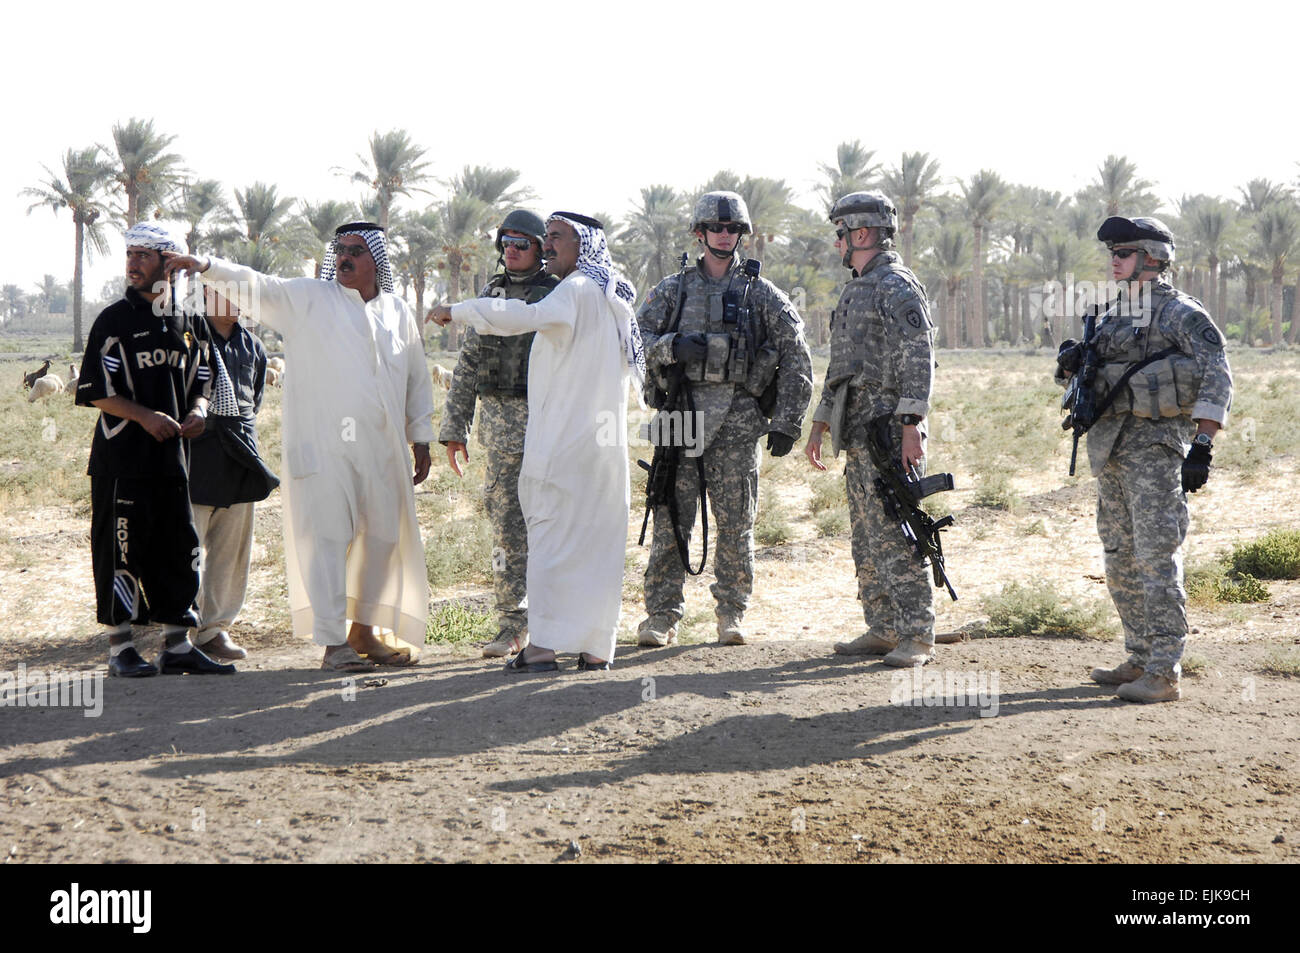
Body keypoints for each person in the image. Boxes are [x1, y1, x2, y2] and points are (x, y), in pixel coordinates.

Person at [165, 222, 436, 672]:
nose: (345, 257)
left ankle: (364, 630)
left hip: (383, 449)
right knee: (328, 537)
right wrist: (208, 266)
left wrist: (420, 435)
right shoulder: (309, 298)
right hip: (324, 447)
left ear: (377, 261)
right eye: (340, 250)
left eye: (355, 250)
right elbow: (259, 285)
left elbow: (416, 377)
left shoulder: (398, 311)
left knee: (385, 537)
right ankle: (334, 645)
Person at [428, 212, 641, 672]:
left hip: (562, 445)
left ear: (584, 245)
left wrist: (459, 310)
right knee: (595, 544)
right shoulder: (610, 293)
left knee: (545, 537)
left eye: (556, 238)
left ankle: (542, 646)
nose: (547, 246)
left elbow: (523, 317)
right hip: (602, 449)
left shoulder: (577, 290)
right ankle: (596, 647)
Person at [1057, 216, 1233, 703]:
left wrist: (1203, 443)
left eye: (1125, 251)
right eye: (1113, 251)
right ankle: (1137, 655)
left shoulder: (1180, 313)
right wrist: (1072, 364)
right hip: (1111, 449)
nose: (1114, 258)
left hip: (1155, 451)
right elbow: (1095, 376)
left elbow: (1218, 374)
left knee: (1157, 559)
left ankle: (1163, 670)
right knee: (1119, 558)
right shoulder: (1114, 313)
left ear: (1152, 258)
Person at [635, 191, 812, 647]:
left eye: (732, 228)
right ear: (699, 233)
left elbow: (796, 354)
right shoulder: (673, 290)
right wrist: (672, 346)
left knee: (736, 526)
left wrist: (788, 421)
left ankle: (731, 615)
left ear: (742, 235)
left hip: (737, 426)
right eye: (716, 228)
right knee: (671, 521)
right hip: (680, 421)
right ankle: (661, 617)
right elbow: (636, 341)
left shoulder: (760, 294)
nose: (724, 235)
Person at [75, 222, 233, 677]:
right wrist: (144, 416)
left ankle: (176, 645)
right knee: (121, 550)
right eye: (130, 255)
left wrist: (199, 410)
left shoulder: (189, 322)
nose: (133, 263)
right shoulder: (113, 321)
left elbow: (205, 378)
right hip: (122, 460)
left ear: (172, 264)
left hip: (173, 462)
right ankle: (120, 648)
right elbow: (95, 390)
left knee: (178, 547)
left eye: (145, 255)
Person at [804, 191, 940, 668]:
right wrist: (821, 421)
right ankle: (882, 627)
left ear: (860, 234)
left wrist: (911, 425)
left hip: (886, 430)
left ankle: (918, 635)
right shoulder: (856, 287)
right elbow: (841, 364)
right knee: (867, 535)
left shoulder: (896, 285)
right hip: (857, 431)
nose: (836, 242)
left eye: (840, 233)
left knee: (895, 531)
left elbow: (918, 357)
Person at [439, 210, 559, 658]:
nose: (512, 249)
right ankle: (513, 624)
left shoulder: (557, 295)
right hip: (500, 432)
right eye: (506, 241)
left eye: (522, 243)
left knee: (552, 524)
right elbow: (469, 364)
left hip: (549, 427)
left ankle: (556, 623)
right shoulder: (489, 296)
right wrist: (455, 429)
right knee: (508, 530)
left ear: (540, 249)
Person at [187, 286, 280, 661]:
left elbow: (252, 401)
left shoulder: (254, 347)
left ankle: (215, 630)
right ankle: (181, 631)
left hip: (240, 459)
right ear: (207, 297)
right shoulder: (189, 337)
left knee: (230, 553)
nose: (240, 302)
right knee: (186, 550)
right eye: (229, 294)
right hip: (196, 458)